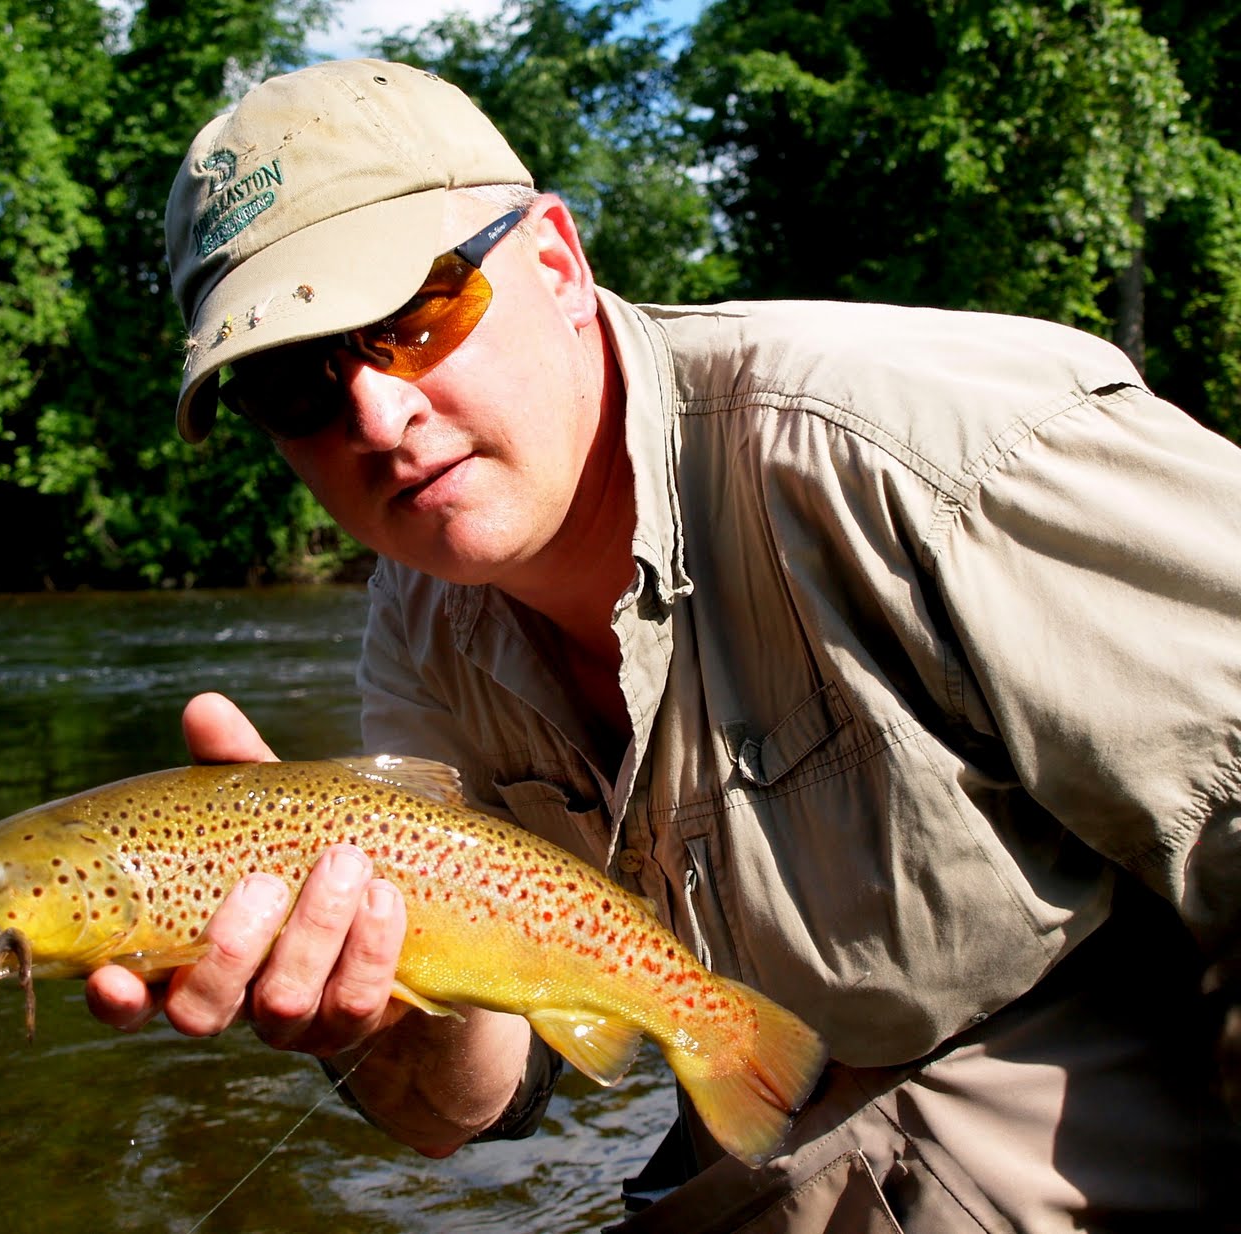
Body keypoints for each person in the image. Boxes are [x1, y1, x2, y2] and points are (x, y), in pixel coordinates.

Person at [85, 58, 1241, 1232]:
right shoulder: (417, 618)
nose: (377, 419)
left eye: (416, 317)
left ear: (556, 263)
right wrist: (384, 1002)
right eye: (293, 386)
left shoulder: (932, 459)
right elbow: (476, 1101)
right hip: (769, 1154)